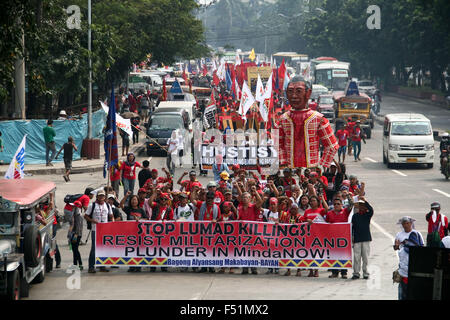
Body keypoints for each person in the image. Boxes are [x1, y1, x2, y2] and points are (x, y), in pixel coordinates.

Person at [278, 76, 338, 169]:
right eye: (290, 91)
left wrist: (321, 166)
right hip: (291, 171)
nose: (294, 96)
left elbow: (332, 146)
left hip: (310, 170)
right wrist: (283, 163)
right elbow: (277, 145)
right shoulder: (282, 119)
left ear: (308, 93)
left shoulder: (319, 119)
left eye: (298, 91)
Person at [394, 216, 424, 300]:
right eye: (404, 223)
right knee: (402, 294)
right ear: (402, 225)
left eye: (407, 223)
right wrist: (396, 246)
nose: (406, 225)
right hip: (403, 267)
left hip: (414, 267)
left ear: (411, 223)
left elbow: (422, 248)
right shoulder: (399, 235)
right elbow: (395, 247)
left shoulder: (417, 234)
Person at [84, 190, 114, 273]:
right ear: (97, 197)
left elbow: (111, 216)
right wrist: (92, 220)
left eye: (103, 196)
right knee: (94, 248)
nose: (101, 198)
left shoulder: (107, 205)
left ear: (105, 197)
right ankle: (91, 266)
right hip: (95, 230)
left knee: (103, 247)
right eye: (100, 196)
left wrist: (112, 224)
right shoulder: (92, 205)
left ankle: (102, 266)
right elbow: (86, 216)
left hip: (105, 230)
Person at [351, 197, 374, 280]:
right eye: (360, 205)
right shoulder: (355, 216)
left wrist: (366, 202)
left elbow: (371, 210)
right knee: (356, 257)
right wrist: (352, 236)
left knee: (365, 257)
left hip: (366, 238)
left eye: (363, 205)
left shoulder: (367, 215)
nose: (361, 207)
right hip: (357, 238)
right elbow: (352, 228)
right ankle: (356, 273)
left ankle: (365, 273)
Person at [70, 200, 84, 271]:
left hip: (77, 234)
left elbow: (78, 226)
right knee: (74, 249)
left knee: (75, 250)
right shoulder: (75, 214)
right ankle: (75, 264)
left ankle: (79, 264)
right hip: (74, 233)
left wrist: (75, 235)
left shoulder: (78, 215)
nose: (73, 207)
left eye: (74, 206)